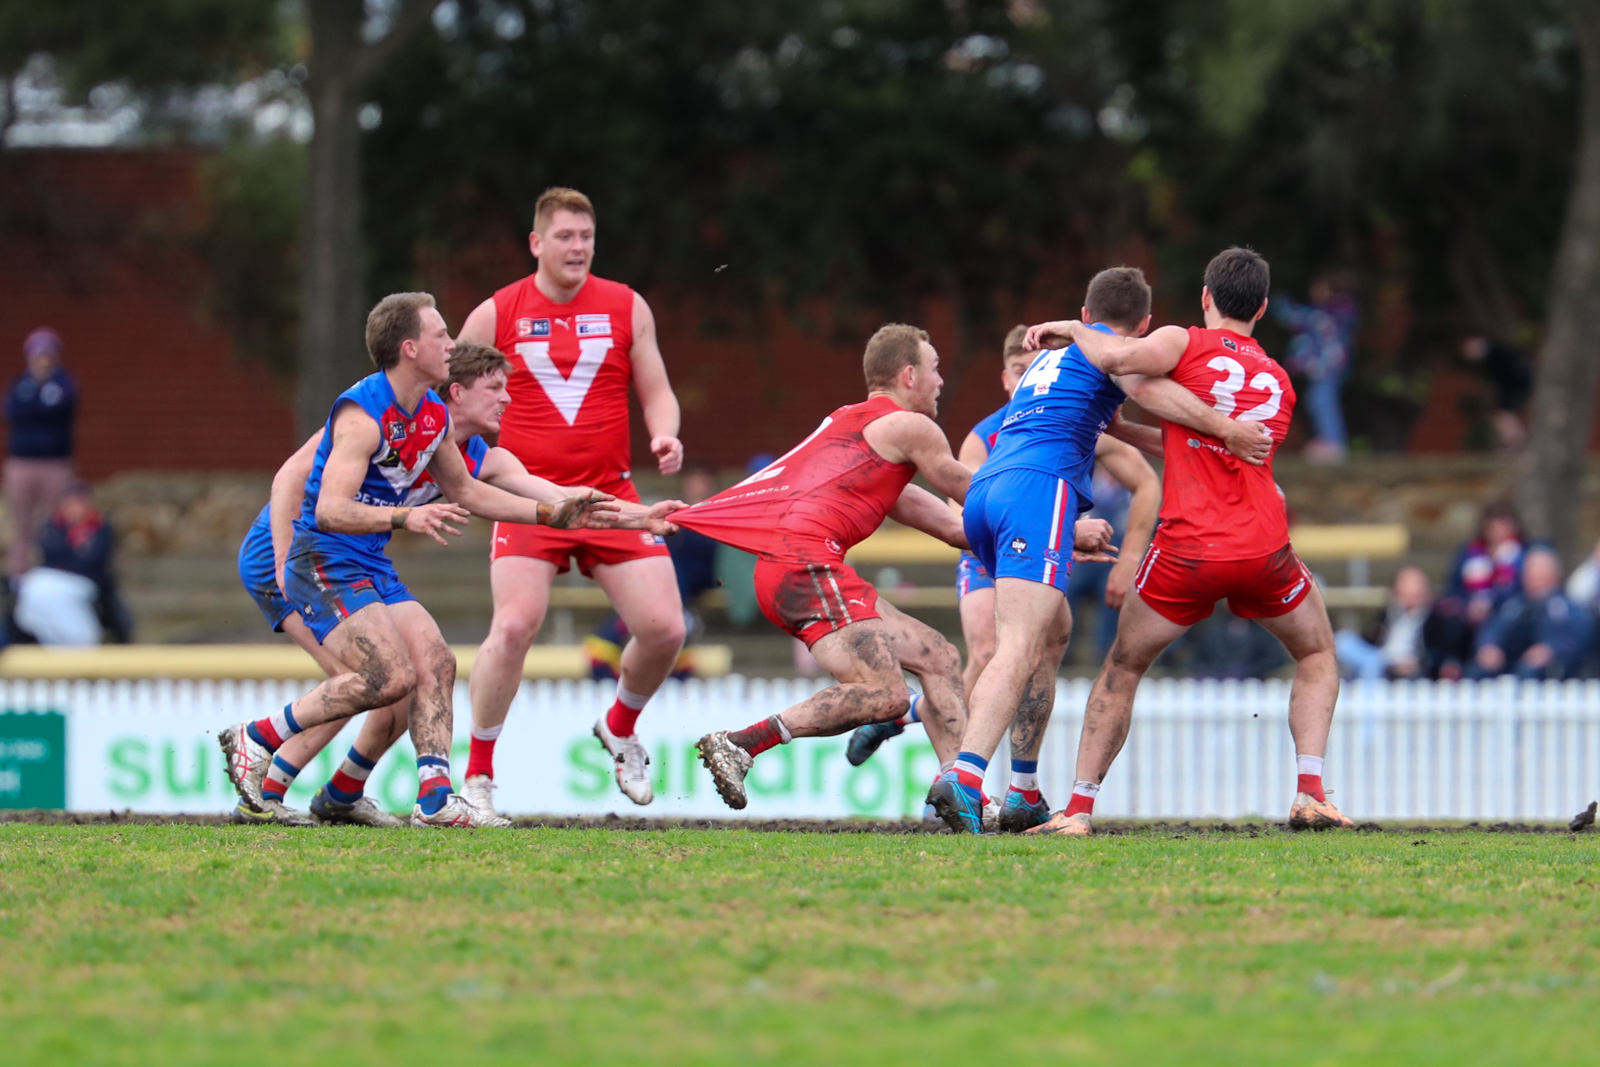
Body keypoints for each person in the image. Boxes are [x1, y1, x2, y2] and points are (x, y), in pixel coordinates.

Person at [218, 292, 657, 829]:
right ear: (424, 360)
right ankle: (260, 765)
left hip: (365, 557)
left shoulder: (434, 420)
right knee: (375, 681)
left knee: (433, 665)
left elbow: (482, 492)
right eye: (495, 388)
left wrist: (636, 517)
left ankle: (426, 801)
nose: (507, 400)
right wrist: (308, 557)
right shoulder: (364, 413)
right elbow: (305, 490)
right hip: (301, 552)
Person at [1017, 248, 1356, 837]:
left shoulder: (1186, 341)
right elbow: (1204, 442)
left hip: (1188, 551)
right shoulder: (1277, 378)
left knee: (1122, 668)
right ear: (1265, 308)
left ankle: (1077, 811)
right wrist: (1124, 430)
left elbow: (1125, 366)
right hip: (1261, 548)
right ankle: (1310, 794)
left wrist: (1075, 327)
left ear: (1206, 296)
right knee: (1319, 655)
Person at [925, 265, 1276, 834]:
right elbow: (1153, 391)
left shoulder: (1050, 358)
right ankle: (964, 777)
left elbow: (1111, 428)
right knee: (1016, 645)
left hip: (988, 489)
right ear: (1144, 325)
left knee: (1051, 631)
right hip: (1039, 490)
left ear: (1086, 315)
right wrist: (1227, 429)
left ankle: (1023, 791)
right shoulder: (1114, 350)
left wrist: (1193, 439)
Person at [679, 324, 1058, 810]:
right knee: (886, 696)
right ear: (908, 375)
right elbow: (979, 496)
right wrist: (1060, 523)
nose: (941, 381)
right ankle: (743, 743)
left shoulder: (862, 436)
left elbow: (954, 526)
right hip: (806, 564)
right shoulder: (910, 427)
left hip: (797, 564)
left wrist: (1057, 537)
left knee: (939, 657)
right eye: (935, 369)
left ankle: (965, 793)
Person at [845, 326, 1162, 813]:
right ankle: (965, 775)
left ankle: (933, 728)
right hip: (983, 549)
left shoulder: (1076, 418)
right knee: (996, 650)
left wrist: (1131, 557)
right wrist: (1058, 532)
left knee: (1042, 648)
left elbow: (1146, 483)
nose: (1024, 378)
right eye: (1016, 369)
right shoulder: (987, 434)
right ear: (1005, 376)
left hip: (1039, 542)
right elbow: (957, 515)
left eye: (1030, 367)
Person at [456, 187, 688, 817]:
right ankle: (477, 776)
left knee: (666, 628)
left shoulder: (625, 305)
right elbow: (452, 401)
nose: (578, 247)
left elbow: (658, 390)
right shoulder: (496, 312)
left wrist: (665, 433)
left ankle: (619, 725)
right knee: (512, 625)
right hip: (528, 498)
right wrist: (461, 471)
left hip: (610, 494)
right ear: (537, 243)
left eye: (586, 236)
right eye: (565, 236)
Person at [5, 328, 78, 580]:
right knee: (23, 525)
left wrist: (37, 407)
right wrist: (40, 405)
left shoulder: (64, 384)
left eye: (47, 354)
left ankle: (55, 571)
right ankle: (19, 578)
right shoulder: (20, 384)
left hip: (55, 462)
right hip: (22, 462)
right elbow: (15, 412)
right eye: (38, 354)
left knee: (54, 523)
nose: (42, 360)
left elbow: (58, 411)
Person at [1271, 272, 1357, 463]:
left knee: (1322, 401)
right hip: (1331, 367)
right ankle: (1329, 440)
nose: (1315, 291)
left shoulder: (1323, 316)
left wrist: (1276, 302)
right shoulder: (1335, 315)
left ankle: (1334, 443)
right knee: (1318, 400)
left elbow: (1295, 317)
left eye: (1320, 288)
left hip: (1327, 368)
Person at [32, 480, 132, 643]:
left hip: (89, 584)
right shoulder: (52, 525)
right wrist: (74, 551)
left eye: (78, 502)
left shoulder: (100, 527)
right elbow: (49, 553)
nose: (74, 508)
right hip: (53, 583)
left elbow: (93, 560)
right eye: (69, 503)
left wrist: (67, 560)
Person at [1469, 547, 1590, 680]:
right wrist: (1489, 646)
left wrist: (1552, 650)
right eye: (1532, 571)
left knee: (1529, 671)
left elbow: (1580, 635)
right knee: (1476, 672)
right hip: (1507, 667)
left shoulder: (1566, 607)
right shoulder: (1514, 605)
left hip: (1550, 672)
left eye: (1542, 571)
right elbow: (1494, 627)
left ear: (1555, 573)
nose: (1536, 576)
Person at [1461, 334, 1532, 449]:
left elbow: (1510, 376)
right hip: (1511, 393)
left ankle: (1514, 441)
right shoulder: (1496, 357)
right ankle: (1513, 441)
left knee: (1504, 418)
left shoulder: (1497, 357)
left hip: (1514, 391)